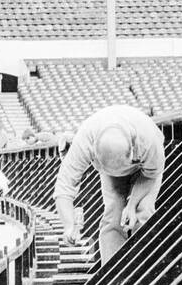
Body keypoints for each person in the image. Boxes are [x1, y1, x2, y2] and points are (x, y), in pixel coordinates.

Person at [54, 104, 165, 265]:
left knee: (143, 211)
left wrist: (132, 204)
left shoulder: (148, 140)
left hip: (144, 169)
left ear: (132, 150)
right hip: (108, 170)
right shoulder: (85, 139)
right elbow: (63, 188)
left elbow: (151, 174)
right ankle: (113, 277)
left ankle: (148, 273)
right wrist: (69, 225)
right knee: (113, 214)